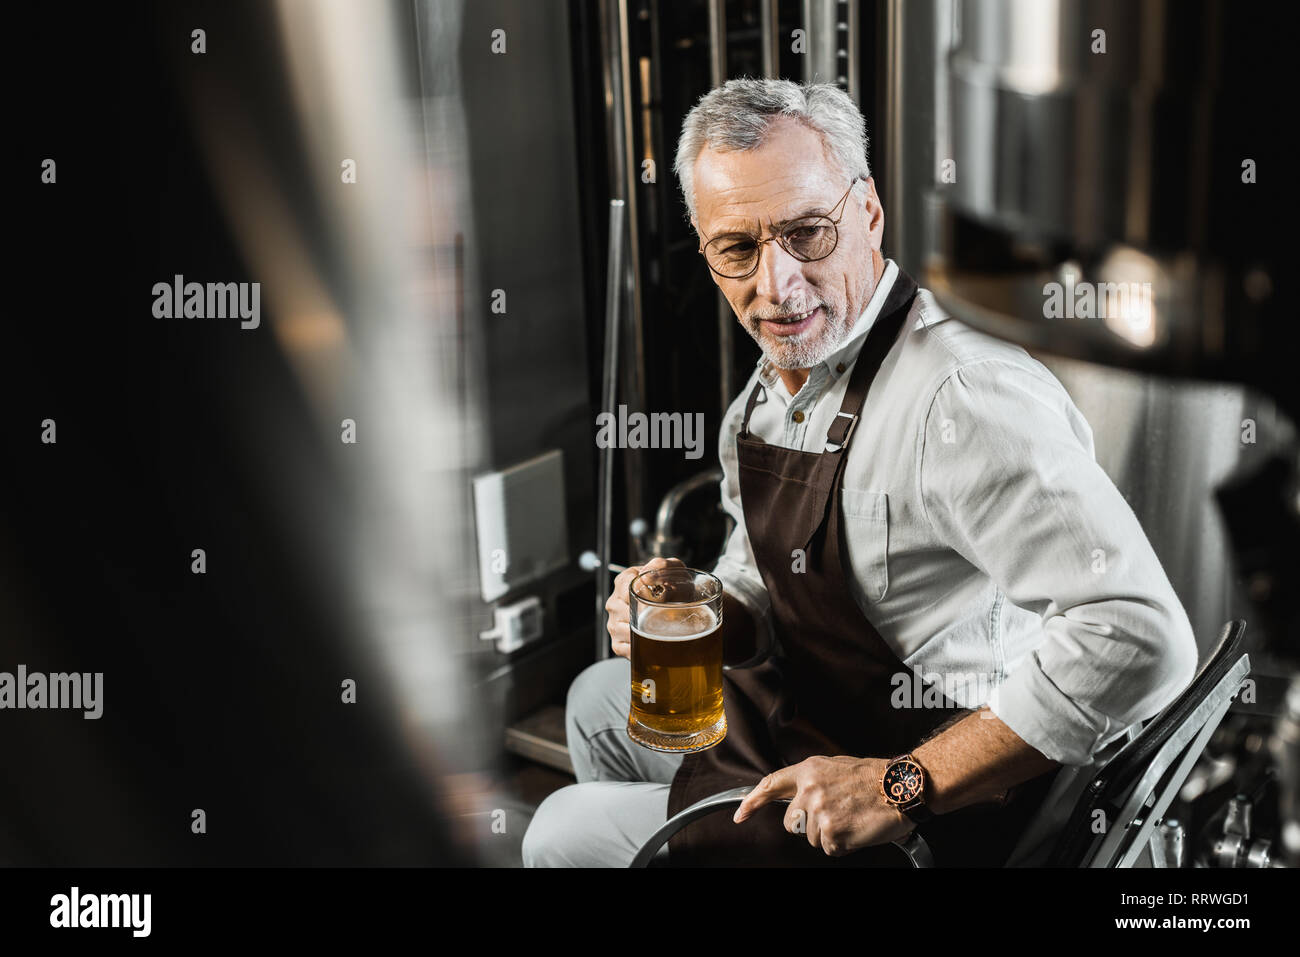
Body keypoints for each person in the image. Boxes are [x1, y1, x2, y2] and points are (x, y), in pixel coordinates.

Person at [522, 78, 1196, 867]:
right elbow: (762, 588)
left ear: (867, 210)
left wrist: (898, 785)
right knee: (597, 700)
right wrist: (705, 606)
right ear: (705, 251)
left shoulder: (961, 395)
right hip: (827, 714)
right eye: (737, 248)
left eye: (807, 232)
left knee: (554, 828)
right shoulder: (774, 386)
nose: (775, 288)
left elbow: (1141, 634)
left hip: (937, 788)